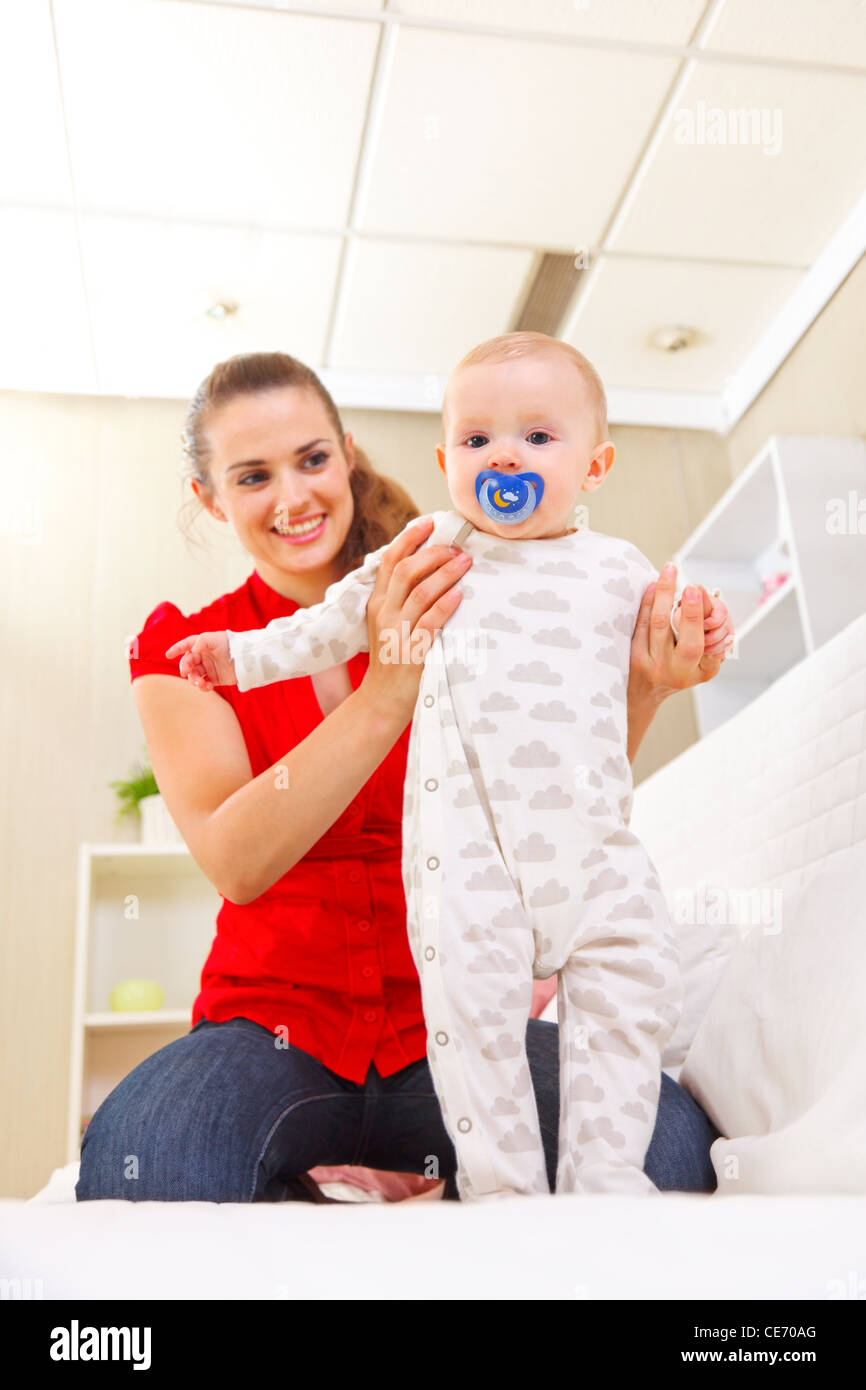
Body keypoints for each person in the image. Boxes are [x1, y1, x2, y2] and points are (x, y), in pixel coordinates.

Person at [76, 348, 731, 1205]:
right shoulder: (190, 651)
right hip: (276, 1023)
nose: (294, 497)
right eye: (252, 477)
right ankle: (351, 1182)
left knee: (670, 1153)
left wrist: (646, 681)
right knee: (147, 1161)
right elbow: (237, 863)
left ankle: (418, 1183)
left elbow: (557, 783)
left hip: (452, 1014)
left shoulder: (470, 570)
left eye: (312, 459)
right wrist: (386, 689)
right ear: (210, 498)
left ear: (347, 454)